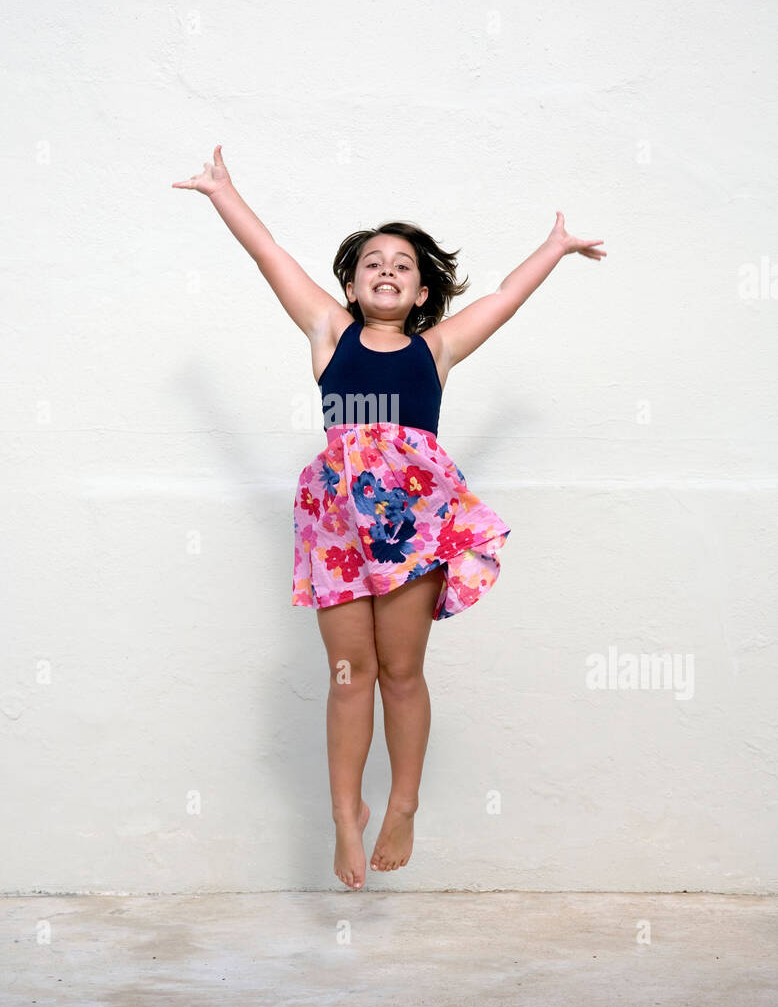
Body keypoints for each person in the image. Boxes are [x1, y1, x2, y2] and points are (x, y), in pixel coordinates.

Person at [173, 146, 606, 890]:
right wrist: (225, 193)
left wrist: (555, 248)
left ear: (421, 292)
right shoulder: (328, 335)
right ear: (348, 283)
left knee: (400, 673)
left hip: (409, 527)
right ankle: (347, 816)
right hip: (339, 528)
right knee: (350, 674)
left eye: (402, 265)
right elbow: (269, 254)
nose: (386, 270)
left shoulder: (435, 350)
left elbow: (503, 296)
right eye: (372, 261)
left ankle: (403, 802)